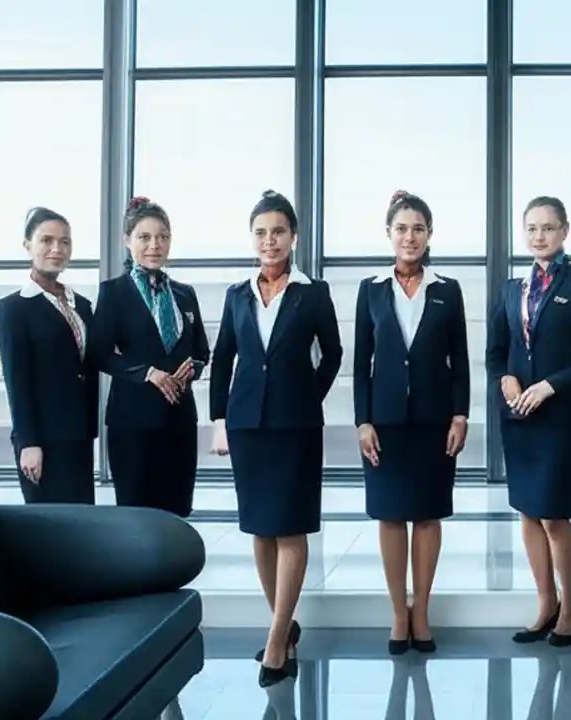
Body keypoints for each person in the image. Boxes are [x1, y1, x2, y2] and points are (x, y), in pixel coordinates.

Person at [208, 190, 343, 687]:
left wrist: (308, 396)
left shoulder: (314, 292)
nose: (270, 240)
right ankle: (283, 626)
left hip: (296, 426)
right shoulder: (237, 293)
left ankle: (275, 637)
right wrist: (218, 418)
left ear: (294, 237)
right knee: (260, 530)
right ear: (253, 238)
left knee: (291, 528)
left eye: (279, 232)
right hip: (247, 425)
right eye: (261, 232)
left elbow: (332, 354)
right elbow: (224, 358)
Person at [486, 196, 571, 647]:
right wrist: (506, 380)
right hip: (518, 415)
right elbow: (495, 352)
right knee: (527, 512)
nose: (539, 236)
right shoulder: (509, 289)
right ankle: (544, 602)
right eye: (532, 229)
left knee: (554, 517)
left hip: (559, 416)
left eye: (548, 228)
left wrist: (550, 386)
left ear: (564, 232)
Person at [354, 190, 470, 655]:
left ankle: (421, 610)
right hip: (383, 423)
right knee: (389, 515)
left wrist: (460, 415)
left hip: (433, 421)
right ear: (388, 234)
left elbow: (459, 360)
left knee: (426, 515)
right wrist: (362, 421)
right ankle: (396, 613)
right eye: (401, 228)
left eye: (417, 229)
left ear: (429, 235)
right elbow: (361, 363)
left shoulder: (447, 289)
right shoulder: (370, 289)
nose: (409, 236)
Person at [91, 197, 210, 517]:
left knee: (177, 513)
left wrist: (193, 368)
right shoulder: (113, 292)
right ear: (127, 241)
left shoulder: (185, 294)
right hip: (132, 422)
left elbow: (202, 350)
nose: (154, 245)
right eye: (144, 237)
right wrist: (148, 373)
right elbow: (99, 355)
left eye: (163, 236)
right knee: (136, 517)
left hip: (179, 421)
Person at [0, 207, 98, 504]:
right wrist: (29, 443)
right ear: (28, 245)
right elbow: (17, 380)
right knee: (49, 533)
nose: (57, 248)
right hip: (43, 440)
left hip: (78, 435)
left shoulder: (82, 306)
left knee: (80, 526)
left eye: (65, 242)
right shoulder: (14, 308)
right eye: (47, 240)